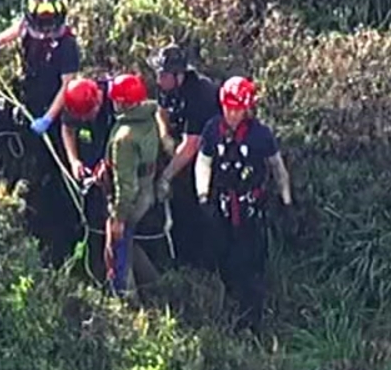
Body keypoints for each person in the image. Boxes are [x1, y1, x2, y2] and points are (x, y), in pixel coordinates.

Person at [0, 0, 82, 264]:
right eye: (39, 26)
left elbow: (66, 87)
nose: (44, 32)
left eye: (49, 27)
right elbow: (14, 31)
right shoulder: (28, 25)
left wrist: (48, 119)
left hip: (49, 112)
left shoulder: (67, 45)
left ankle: (45, 231)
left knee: (46, 174)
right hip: (24, 99)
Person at [195, 76, 294, 333]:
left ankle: (253, 319)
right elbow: (203, 162)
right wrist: (203, 196)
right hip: (222, 208)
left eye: (237, 109)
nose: (232, 114)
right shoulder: (212, 129)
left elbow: (278, 168)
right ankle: (225, 310)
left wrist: (286, 202)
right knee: (222, 260)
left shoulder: (260, 135)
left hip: (251, 212)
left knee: (250, 266)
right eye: (228, 108)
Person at [149, 43, 223, 271]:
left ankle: (206, 266)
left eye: (163, 75)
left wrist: (167, 177)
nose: (159, 80)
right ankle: (180, 261)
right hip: (179, 149)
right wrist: (165, 137)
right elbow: (160, 111)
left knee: (201, 212)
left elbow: (192, 145)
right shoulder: (165, 86)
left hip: (209, 158)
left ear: (178, 75)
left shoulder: (201, 94)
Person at [100, 73, 162, 298]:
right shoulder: (149, 118)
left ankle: (125, 296)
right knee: (130, 240)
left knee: (118, 245)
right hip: (148, 190)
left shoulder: (124, 139)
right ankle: (153, 285)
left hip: (132, 198)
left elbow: (126, 186)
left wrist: (118, 217)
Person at [59, 76, 116, 285]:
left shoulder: (115, 102)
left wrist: (108, 163)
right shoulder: (76, 100)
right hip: (95, 152)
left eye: (88, 115)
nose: (85, 119)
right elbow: (68, 128)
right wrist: (74, 160)